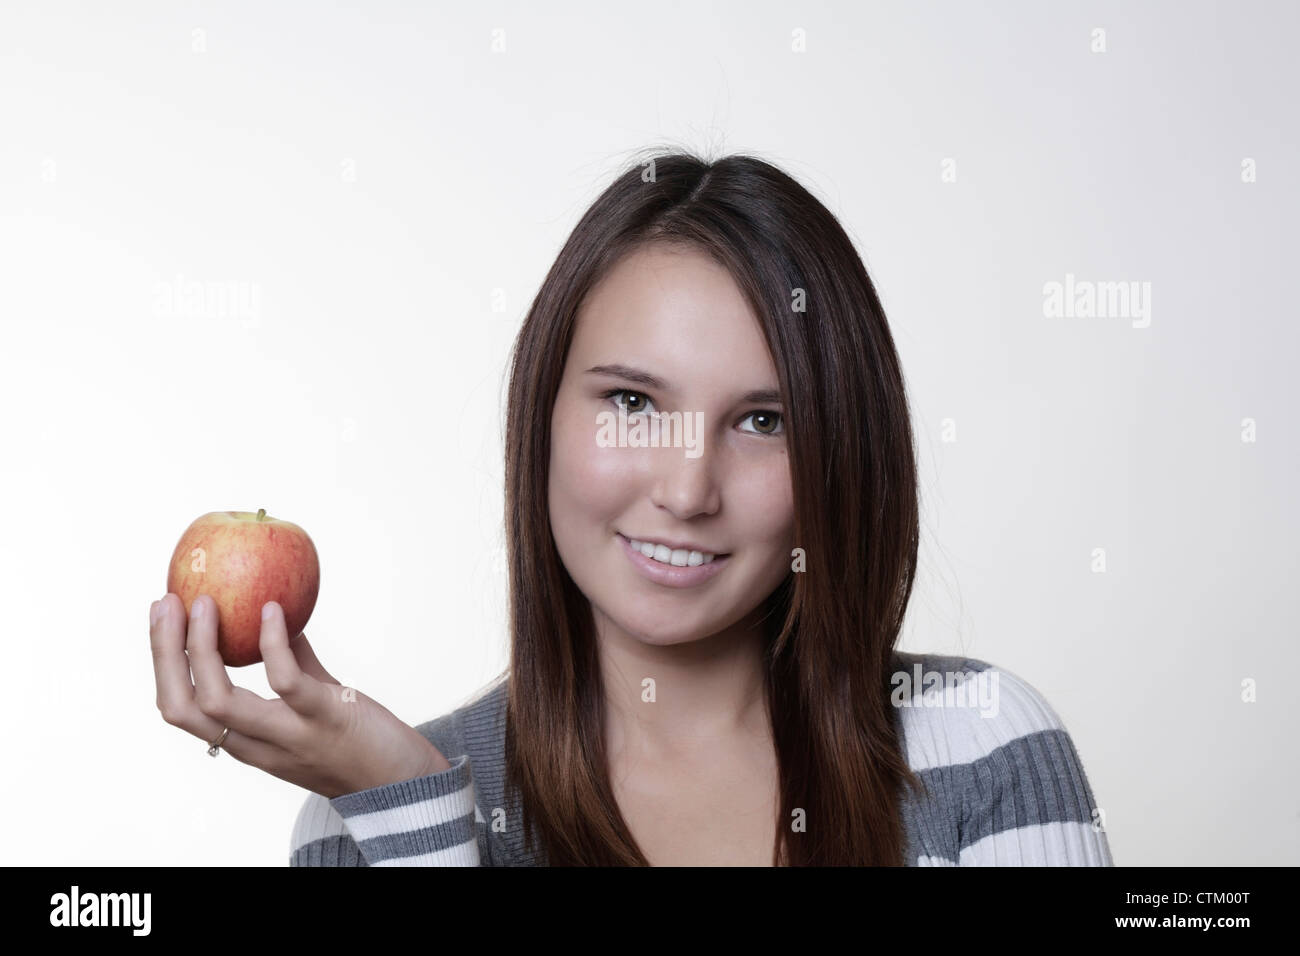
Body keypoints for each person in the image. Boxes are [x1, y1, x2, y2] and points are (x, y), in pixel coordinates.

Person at [150, 150, 1114, 866]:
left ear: (841, 455)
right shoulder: (364, 817)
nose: (687, 490)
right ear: (545, 419)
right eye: (633, 404)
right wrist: (413, 815)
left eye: (765, 419)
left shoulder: (983, 747)